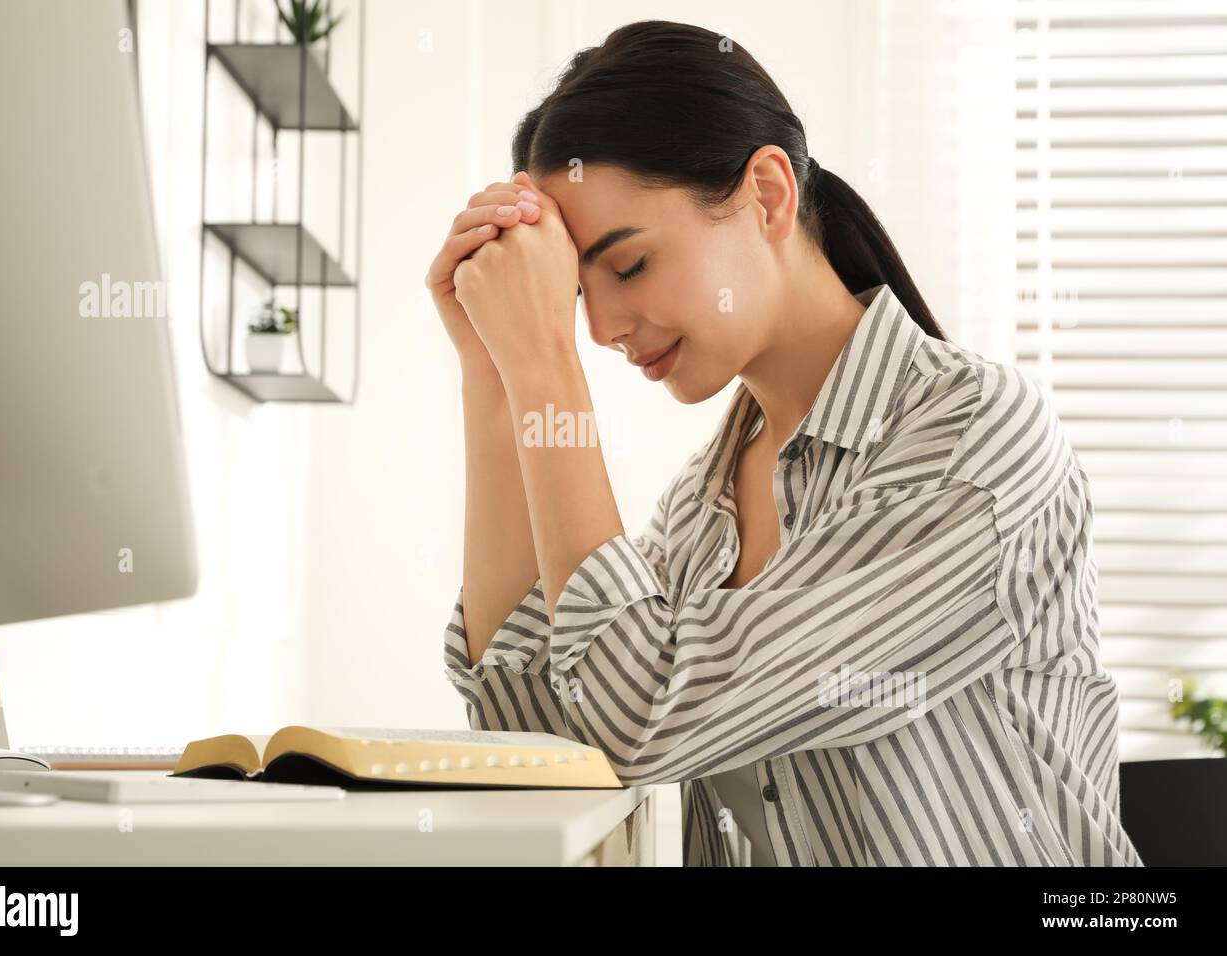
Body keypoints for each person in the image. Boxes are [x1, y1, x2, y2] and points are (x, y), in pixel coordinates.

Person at [425, 19, 1142, 867]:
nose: (604, 328)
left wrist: (544, 364)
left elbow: (642, 720)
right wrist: (493, 375)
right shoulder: (700, 507)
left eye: (629, 267)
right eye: (575, 294)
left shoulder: (971, 441)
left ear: (768, 194)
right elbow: (534, 739)